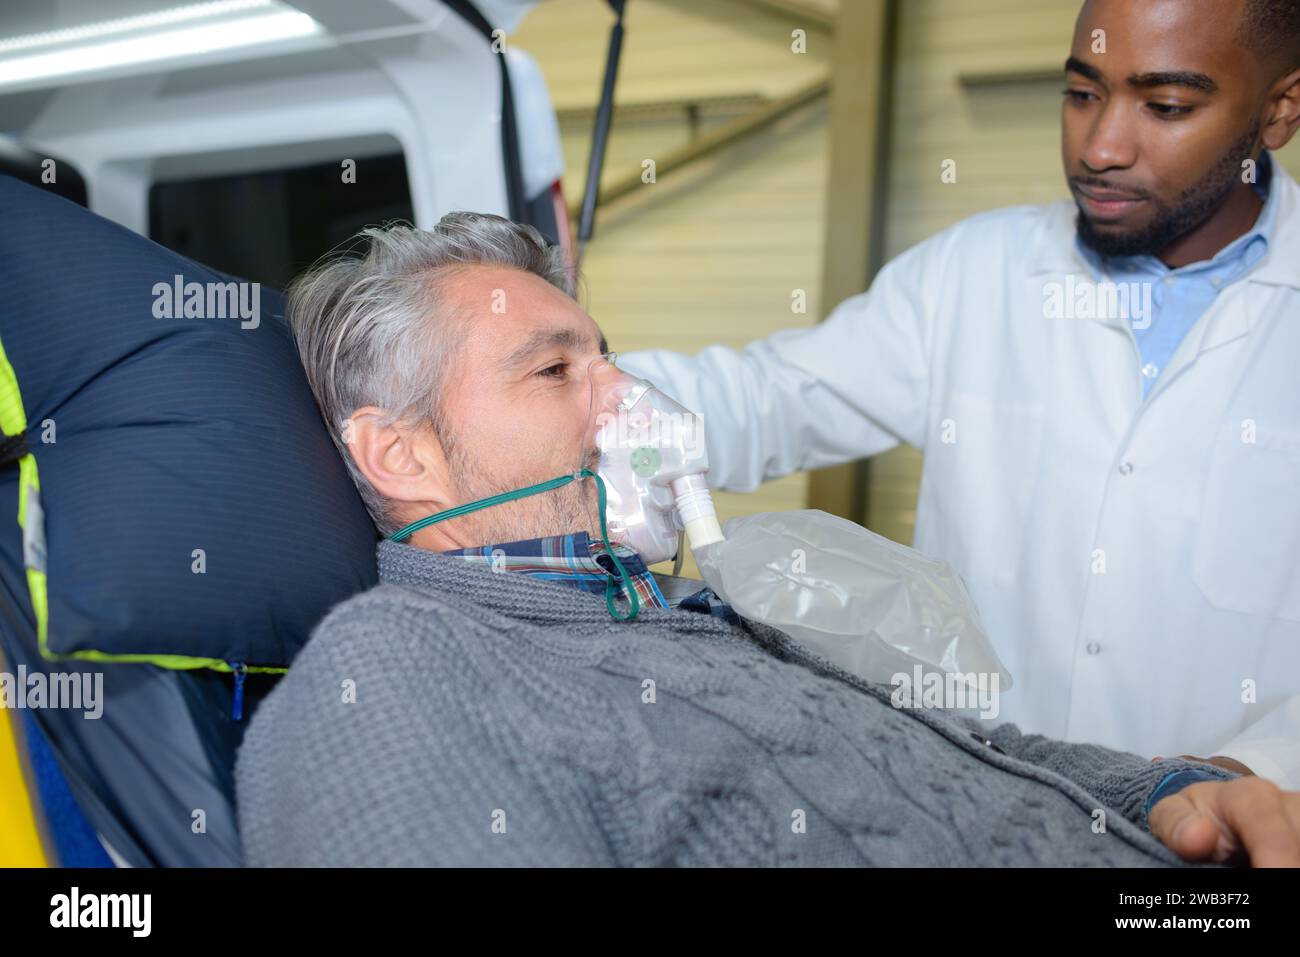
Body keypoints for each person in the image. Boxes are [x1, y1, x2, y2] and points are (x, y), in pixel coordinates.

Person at [235, 214, 1300, 866]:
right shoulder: (394, 672)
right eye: (557, 372)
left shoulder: (683, 611)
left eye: (609, 356)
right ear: (400, 454)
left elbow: (962, 753)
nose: (631, 397)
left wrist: (1164, 792)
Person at [619, 0, 1300, 788]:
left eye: (1167, 106)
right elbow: (771, 396)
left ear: (1279, 108)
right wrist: (581, 386)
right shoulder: (972, 274)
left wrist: (1250, 771)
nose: (1102, 147)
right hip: (974, 805)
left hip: (1217, 845)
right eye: (1081, 94)